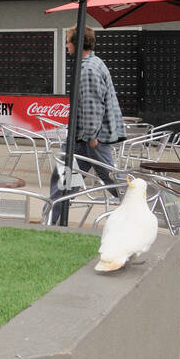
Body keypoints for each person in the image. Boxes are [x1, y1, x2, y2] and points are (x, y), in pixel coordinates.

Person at [49, 27, 125, 218]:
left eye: (68, 41)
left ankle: (139, 208)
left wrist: (92, 138)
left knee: (111, 179)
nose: (66, 45)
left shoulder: (87, 70)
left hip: (89, 137)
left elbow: (93, 107)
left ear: (77, 44)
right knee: (65, 177)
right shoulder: (93, 63)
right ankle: (52, 218)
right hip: (82, 137)